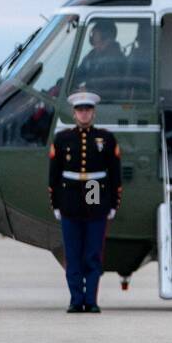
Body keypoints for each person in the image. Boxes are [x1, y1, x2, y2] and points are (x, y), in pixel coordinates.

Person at [48, 91, 122, 313]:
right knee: (73, 254)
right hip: (70, 197)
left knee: (92, 253)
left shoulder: (106, 139)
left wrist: (113, 204)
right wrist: (56, 204)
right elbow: (54, 174)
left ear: (93, 112)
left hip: (95, 193)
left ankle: (90, 300)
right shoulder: (62, 139)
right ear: (74, 113)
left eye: (88, 110)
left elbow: (114, 173)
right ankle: (75, 299)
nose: (84, 114)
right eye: (80, 110)